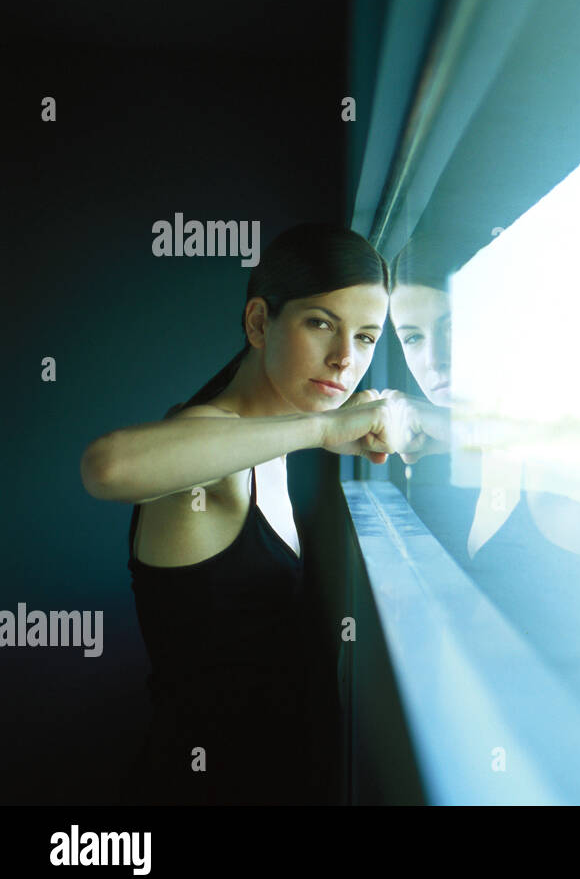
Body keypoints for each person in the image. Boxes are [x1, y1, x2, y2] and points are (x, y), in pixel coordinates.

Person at [80, 223, 439, 804]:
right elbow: (107, 467)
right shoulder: (210, 438)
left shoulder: (266, 436)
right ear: (257, 323)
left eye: (367, 338)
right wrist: (323, 429)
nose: (346, 359)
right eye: (321, 323)